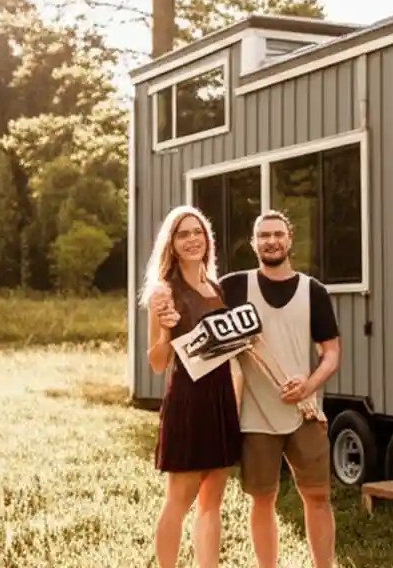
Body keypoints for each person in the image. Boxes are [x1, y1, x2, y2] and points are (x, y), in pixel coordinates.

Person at [219, 209, 341, 568]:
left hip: (305, 413)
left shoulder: (313, 291)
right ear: (253, 242)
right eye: (263, 235)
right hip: (256, 416)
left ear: (289, 240)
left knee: (317, 496)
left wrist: (308, 385)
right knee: (262, 500)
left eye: (278, 234)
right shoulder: (233, 287)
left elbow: (331, 353)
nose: (271, 241)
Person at [140, 205, 242, 568]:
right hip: (189, 400)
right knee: (179, 499)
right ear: (172, 244)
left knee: (212, 502)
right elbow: (157, 362)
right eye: (183, 234)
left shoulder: (216, 287)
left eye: (198, 232)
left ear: (207, 239)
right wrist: (165, 330)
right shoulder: (164, 292)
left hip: (221, 400)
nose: (192, 239)